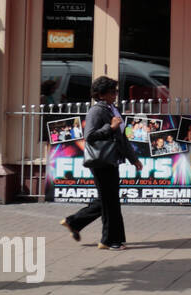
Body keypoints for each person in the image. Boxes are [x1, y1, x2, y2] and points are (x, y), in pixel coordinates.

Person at [60, 76, 141, 251]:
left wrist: (133, 158)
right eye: (113, 91)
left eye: (116, 91)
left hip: (112, 160)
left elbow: (122, 137)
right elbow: (89, 136)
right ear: (102, 94)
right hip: (101, 161)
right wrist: (110, 128)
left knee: (107, 200)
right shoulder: (96, 111)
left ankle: (74, 222)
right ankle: (110, 241)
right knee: (110, 202)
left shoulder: (113, 109)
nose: (116, 94)